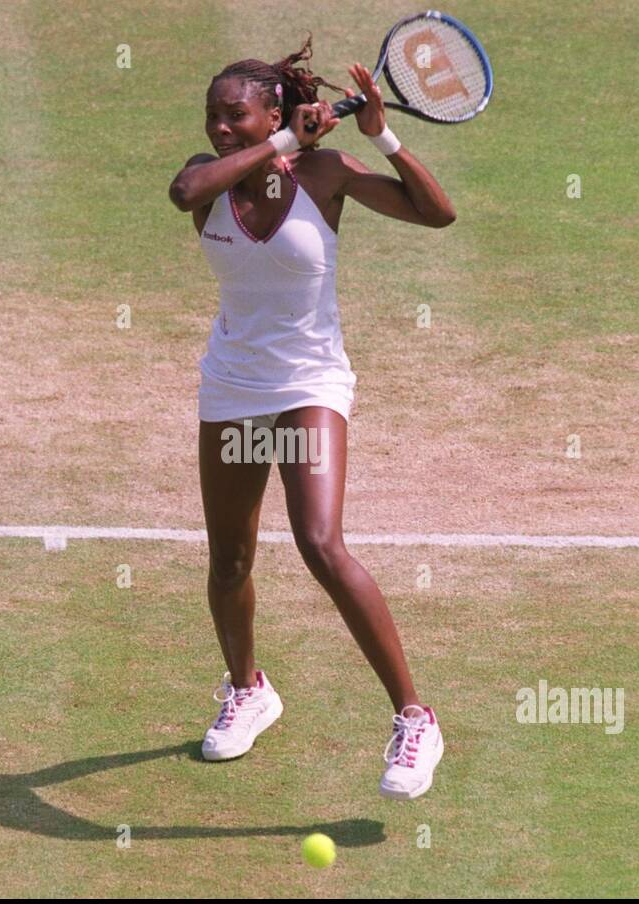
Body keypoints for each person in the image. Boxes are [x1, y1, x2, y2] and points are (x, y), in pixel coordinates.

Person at [168, 37, 456, 800]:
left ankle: (415, 717)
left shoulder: (325, 174)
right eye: (214, 116)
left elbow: (438, 214)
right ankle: (248, 689)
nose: (221, 127)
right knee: (229, 560)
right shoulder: (202, 181)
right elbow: (184, 195)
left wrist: (381, 137)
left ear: (269, 111)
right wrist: (286, 138)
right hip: (232, 385)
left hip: (308, 384)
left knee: (320, 542)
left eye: (237, 116)